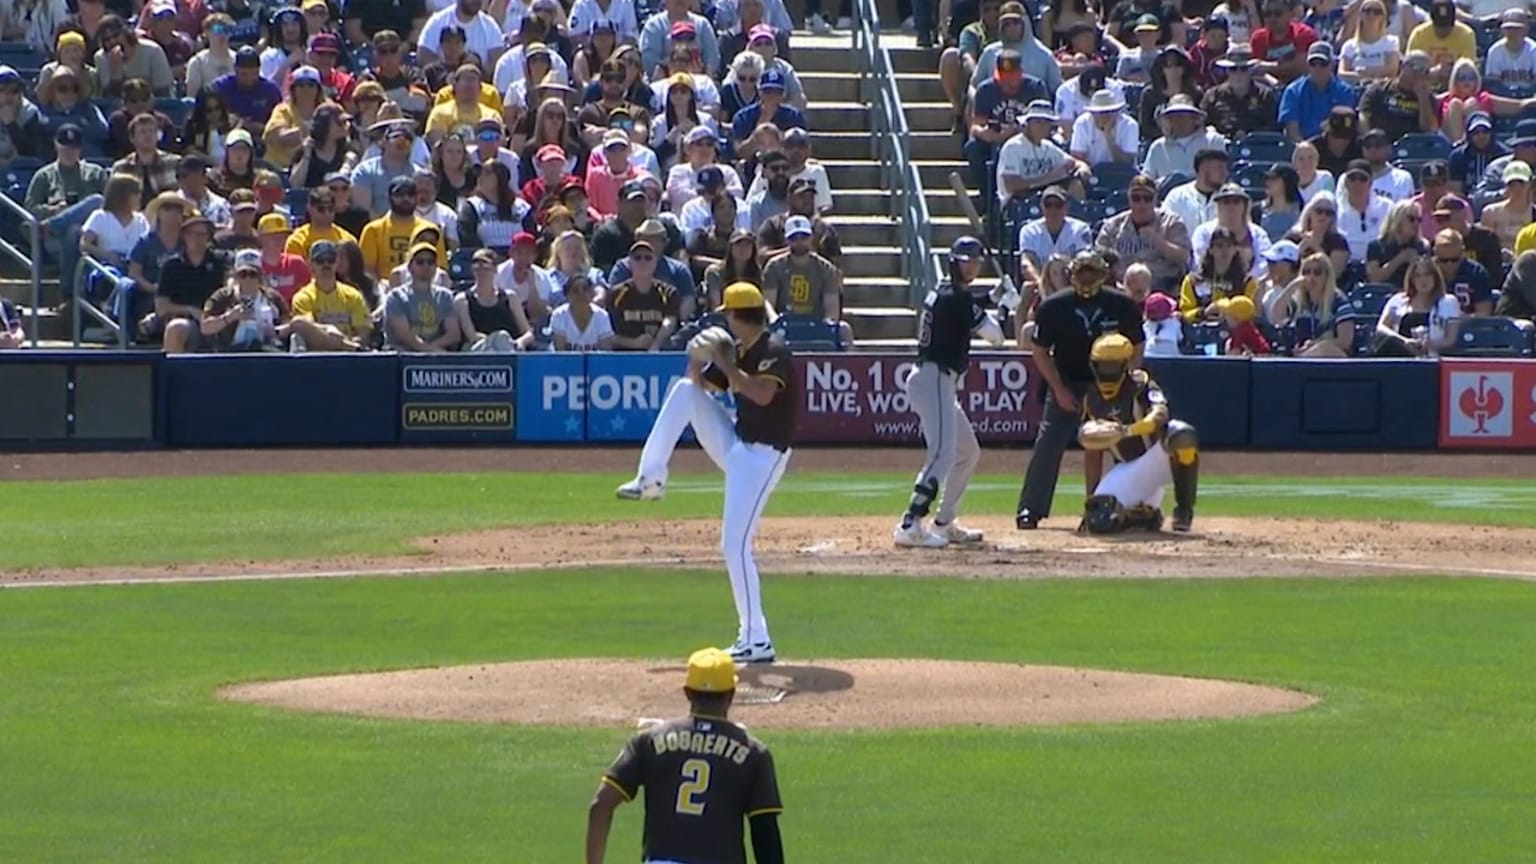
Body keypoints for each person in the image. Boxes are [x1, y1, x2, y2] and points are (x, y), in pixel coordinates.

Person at [613, 283, 795, 662]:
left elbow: (761, 394)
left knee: (734, 545)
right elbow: (699, 385)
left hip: (763, 458)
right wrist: (696, 356)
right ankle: (651, 478)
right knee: (683, 392)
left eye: (727, 313)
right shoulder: (741, 348)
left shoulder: (772, 349)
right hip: (739, 445)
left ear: (736, 315)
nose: (723, 319)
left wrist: (727, 363)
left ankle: (756, 638)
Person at [585, 646, 784, 863]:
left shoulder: (649, 740)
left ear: (687, 692)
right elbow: (765, 835)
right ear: (731, 694)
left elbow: (600, 804)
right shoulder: (753, 753)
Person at [894, 236, 1014, 548]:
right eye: (966, 260)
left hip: (938, 381)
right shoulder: (956, 298)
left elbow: (970, 304)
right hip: (934, 377)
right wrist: (1005, 308)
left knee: (968, 451)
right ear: (954, 262)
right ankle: (910, 523)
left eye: (975, 261)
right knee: (942, 454)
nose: (972, 266)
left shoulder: (948, 292)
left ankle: (945, 521)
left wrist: (993, 296)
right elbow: (996, 337)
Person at [1015, 250, 1144, 530]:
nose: (1086, 279)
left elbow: (1137, 344)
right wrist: (1058, 388)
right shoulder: (1053, 307)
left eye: (1091, 273)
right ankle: (1030, 507)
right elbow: (1039, 350)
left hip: (1111, 384)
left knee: (1125, 445)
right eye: (1081, 273)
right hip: (1069, 379)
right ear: (1071, 276)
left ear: (1104, 275)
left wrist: (1130, 376)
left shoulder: (1122, 304)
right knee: (1048, 442)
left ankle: (1133, 506)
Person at [1076, 333, 1200, 534]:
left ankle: (1184, 510)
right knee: (1100, 522)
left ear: (1125, 366)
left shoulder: (1140, 384)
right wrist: (1091, 500)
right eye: (1103, 366)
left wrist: (1128, 431)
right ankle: (1142, 516)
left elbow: (1160, 415)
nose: (1107, 373)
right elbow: (1092, 452)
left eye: (1113, 366)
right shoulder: (1091, 398)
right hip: (1128, 470)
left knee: (1181, 434)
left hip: (1157, 458)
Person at [27, 124, 108, 287]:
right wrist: (54, 210)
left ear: (80, 148)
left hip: (92, 234)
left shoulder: (96, 172)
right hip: (54, 239)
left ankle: (54, 224)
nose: (69, 152)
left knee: (96, 201)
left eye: (73, 148)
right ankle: (68, 295)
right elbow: (30, 207)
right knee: (72, 231)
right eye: (65, 147)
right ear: (56, 145)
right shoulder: (44, 175)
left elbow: (110, 204)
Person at [760, 215, 849, 344]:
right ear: (787, 240)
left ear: (811, 238)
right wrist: (774, 319)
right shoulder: (774, 266)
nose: (799, 242)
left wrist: (827, 324)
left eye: (804, 237)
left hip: (817, 325)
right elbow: (768, 302)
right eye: (794, 238)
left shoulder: (826, 268)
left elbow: (832, 308)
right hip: (784, 325)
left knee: (845, 330)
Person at [1095, 175, 1192, 292]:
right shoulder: (1113, 226)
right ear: (1129, 199)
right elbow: (1098, 259)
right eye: (1136, 198)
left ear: (1155, 200)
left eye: (1147, 198)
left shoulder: (1171, 222)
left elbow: (1183, 257)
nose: (1142, 204)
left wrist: (1158, 241)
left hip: (1162, 289)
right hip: (1121, 291)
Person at [151, 213, 230, 354]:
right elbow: (161, 307)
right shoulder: (171, 265)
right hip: (187, 324)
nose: (196, 239)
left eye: (201, 234)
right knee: (176, 327)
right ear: (184, 236)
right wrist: (191, 310)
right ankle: (173, 374)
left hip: (219, 322)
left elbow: (232, 292)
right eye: (191, 234)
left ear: (208, 237)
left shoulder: (222, 261)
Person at [995, 100, 1088, 205]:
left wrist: (1082, 167)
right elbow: (1011, 185)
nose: (1042, 126)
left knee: (1075, 185)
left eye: (1046, 122)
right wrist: (1049, 178)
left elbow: (1073, 162)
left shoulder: (1048, 147)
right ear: (1027, 123)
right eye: (1038, 122)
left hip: (1046, 198)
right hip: (1018, 202)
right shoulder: (1013, 147)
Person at [288, 240, 373, 351]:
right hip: (317, 356)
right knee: (298, 324)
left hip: (350, 357)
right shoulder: (303, 297)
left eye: (330, 260)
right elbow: (309, 333)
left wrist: (345, 343)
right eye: (320, 261)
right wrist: (331, 331)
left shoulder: (353, 295)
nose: (326, 265)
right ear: (311, 264)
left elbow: (364, 334)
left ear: (336, 263)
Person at [200, 248, 289, 352]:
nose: (248, 279)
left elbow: (288, 324)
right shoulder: (224, 296)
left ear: (260, 276)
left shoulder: (272, 297)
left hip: (267, 351)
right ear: (236, 276)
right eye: (243, 274)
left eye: (253, 274)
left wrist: (275, 331)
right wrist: (230, 317)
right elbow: (205, 327)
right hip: (231, 353)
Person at [359, 177, 447, 279]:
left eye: (410, 194)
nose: (405, 198)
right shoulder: (373, 230)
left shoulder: (430, 230)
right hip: (384, 287)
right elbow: (367, 269)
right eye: (399, 194)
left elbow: (440, 268)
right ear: (389, 197)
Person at [1374, 253, 1460, 356]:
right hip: (1399, 353)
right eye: (1418, 276)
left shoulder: (1448, 302)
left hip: (1431, 356)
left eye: (1427, 275)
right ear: (1412, 279)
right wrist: (1404, 341)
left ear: (1435, 277)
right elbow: (1381, 328)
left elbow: (1450, 338)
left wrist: (1429, 344)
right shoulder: (1398, 300)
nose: (1423, 280)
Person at [604, 238, 680, 350]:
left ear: (655, 263)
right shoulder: (616, 295)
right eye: (637, 258)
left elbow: (670, 321)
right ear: (629, 263)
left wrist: (656, 344)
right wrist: (634, 343)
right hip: (624, 357)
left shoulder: (668, 293)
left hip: (658, 356)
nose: (643, 262)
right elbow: (607, 336)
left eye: (648, 258)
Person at [383, 242, 460, 351]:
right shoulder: (396, 296)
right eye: (420, 262)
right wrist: (430, 351)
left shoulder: (445, 296)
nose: (426, 265)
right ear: (410, 267)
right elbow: (404, 335)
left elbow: (453, 334)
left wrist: (432, 349)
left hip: (436, 355)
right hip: (401, 356)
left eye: (430, 262)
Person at [455, 248, 534, 351]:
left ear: (495, 269)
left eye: (486, 267)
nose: (481, 271)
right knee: (501, 337)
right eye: (477, 267)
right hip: (477, 351)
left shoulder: (510, 297)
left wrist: (520, 342)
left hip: (509, 348)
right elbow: (472, 336)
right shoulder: (462, 300)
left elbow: (528, 333)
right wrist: (496, 340)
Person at [1278, 251, 1356, 356]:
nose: (1311, 277)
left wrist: (1315, 345)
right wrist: (1291, 287)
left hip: (1335, 361)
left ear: (1326, 276)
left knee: (1324, 348)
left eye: (1317, 272)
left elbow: (1345, 341)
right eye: (1306, 272)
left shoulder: (1339, 302)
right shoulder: (1298, 302)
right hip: (1302, 355)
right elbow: (1275, 318)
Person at [1179, 225, 1260, 322]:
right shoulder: (1193, 280)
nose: (1225, 251)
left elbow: (1250, 312)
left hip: (1235, 332)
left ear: (1235, 249)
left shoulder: (1247, 282)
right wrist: (1204, 312)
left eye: (1229, 246)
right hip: (1201, 332)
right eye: (1219, 246)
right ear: (1211, 250)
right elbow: (1185, 312)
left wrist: (1229, 310)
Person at [1280, 42, 1358, 141]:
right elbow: (1293, 132)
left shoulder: (1345, 92)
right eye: (1313, 63)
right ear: (1307, 65)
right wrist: (1308, 151)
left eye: (1323, 63)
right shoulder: (1293, 92)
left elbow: (1344, 130)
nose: (1317, 68)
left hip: (1335, 149)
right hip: (1302, 150)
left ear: (1332, 64)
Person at [1017, 185, 1092, 286]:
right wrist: (1041, 284)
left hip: (1072, 284)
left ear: (1066, 206)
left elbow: (1083, 262)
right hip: (1040, 283)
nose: (1053, 210)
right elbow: (1026, 264)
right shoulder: (1029, 231)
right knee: (1027, 288)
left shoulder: (1080, 229)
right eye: (1048, 205)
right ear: (1041, 206)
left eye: (1058, 205)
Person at [1201, 44, 1279, 139]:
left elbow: (1274, 128)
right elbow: (1201, 125)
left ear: (1251, 70)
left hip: (1257, 147)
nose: (1239, 74)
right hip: (1220, 147)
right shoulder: (1212, 96)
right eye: (1233, 69)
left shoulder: (1265, 95)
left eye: (1244, 69)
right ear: (1227, 71)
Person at [1141, 95, 1228, 181]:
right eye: (1174, 117)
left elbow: (1220, 176)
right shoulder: (1158, 147)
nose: (1179, 120)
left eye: (1184, 116)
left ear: (1195, 118)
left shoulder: (1212, 141)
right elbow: (1147, 179)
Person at [1359, 50, 1438, 141]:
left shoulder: (1428, 97)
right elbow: (1364, 115)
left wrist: (1422, 98)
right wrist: (1369, 140)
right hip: (1381, 144)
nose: (1419, 74)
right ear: (1403, 66)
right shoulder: (1379, 89)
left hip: (1413, 146)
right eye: (1416, 68)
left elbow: (1429, 130)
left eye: (1425, 71)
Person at [93, 14, 174, 97]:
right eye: (107, 39)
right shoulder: (101, 58)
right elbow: (110, 99)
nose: (112, 41)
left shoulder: (152, 51)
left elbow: (163, 92)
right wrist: (115, 72)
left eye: (116, 35)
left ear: (125, 33)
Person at [1406, 0, 1474, 82]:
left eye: (1446, 26)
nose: (1443, 31)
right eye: (1439, 26)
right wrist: (1430, 73)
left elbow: (1468, 68)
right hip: (1424, 85)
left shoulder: (1466, 34)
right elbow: (1409, 68)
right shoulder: (1419, 34)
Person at [1251, 0, 1317, 84]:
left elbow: (1301, 66)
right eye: (1267, 14)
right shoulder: (1258, 38)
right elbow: (1257, 70)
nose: (1272, 18)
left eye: (1278, 13)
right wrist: (1275, 82)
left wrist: (1267, 66)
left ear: (1289, 14)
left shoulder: (1304, 33)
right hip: (1269, 88)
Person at [286, 186, 360, 259]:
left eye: (330, 209)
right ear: (309, 208)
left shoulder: (348, 239)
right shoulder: (297, 241)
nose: (327, 213)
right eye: (321, 209)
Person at [1432, 228, 1493, 315]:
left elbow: (1484, 312)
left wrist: (1457, 321)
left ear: (1462, 252)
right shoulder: (1426, 273)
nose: (1449, 265)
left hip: (1467, 326)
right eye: (1444, 260)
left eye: (1454, 260)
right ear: (1435, 253)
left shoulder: (1476, 273)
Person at [1069, 88, 1138, 166]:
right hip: (1091, 172)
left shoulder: (1129, 125)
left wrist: (1108, 136)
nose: (1104, 116)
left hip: (1122, 174)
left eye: (1109, 112)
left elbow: (1127, 163)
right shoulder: (1082, 123)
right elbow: (1077, 158)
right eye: (1100, 113)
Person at [1338, 0, 1400, 85]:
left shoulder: (1391, 42)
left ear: (1383, 17)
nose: (1371, 14)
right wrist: (1360, 77)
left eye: (1377, 12)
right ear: (1360, 15)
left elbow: (1392, 70)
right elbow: (1341, 73)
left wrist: (1365, 72)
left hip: (1381, 90)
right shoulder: (1349, 46)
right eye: (1367, 10)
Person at [549, 272, 615, 350]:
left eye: (585, 289)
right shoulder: (559, 315)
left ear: (591, 293)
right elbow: (560, 354)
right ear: (567, 295)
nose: (581, 294)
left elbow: (605, 353)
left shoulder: (602, 316)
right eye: (575, 290)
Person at [1449, 113, 1508, 196]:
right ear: (1469, 135)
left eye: (1485, 132)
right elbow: (1456, 191)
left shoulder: (1504, 155)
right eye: (1475, 133)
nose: (1481, 136)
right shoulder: (1458, 156)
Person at [1485, 9, 1536, 90]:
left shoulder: (1533, 50)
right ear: (1502, 30)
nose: (1512, 32)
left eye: (1517, 28)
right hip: (1504, 98)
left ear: (1526, 29)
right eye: (1508, 28)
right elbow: (1493, 83)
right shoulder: (1495, 51)